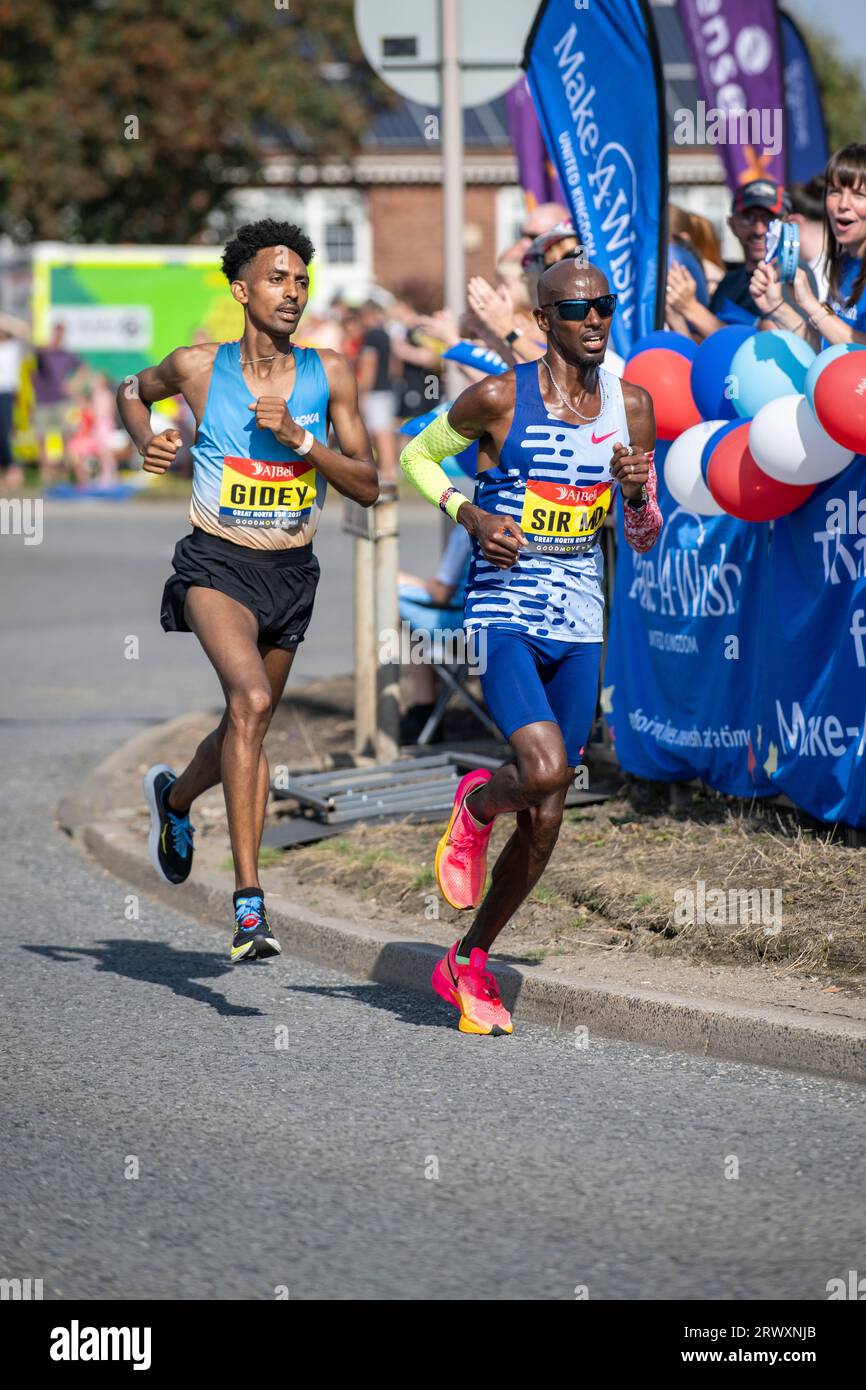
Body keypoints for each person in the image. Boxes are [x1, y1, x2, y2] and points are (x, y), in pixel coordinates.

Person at [400, 259, 661, 1035]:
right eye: (577, 307)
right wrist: (468, 514)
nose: (594, 319)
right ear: (543, 319)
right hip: (506, 605)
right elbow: (416, 456)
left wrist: (639, 494)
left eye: (604, 306)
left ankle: (470, 960)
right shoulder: (498, 397)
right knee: (543, 768)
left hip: (581, 613)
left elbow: (644, 538)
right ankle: (476, 803)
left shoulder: (633, 406)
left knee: (549, 808)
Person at [117, 219, 378, 962]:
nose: (292, 292)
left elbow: (368, 487)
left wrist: (303, 441)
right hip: (216, 565)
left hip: (292, 574)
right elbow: (129, 390)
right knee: (252, 705)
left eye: (301, 281)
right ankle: (250, 906)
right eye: (276, 279)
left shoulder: (333, 373)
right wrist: (147, 440)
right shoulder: (200, 367)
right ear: (241, 289)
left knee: (246, 727)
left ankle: (173, 799)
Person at [666, 180, 817, 341]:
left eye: (769, 219)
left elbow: (770, 345)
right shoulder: (729, 282)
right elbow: (704, 347)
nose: (759, 230)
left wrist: (690, 308)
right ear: (731, 224)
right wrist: (675, 313)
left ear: (788, 224)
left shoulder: (792, 273)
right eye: (748, 217)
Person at [750, 145, 866, 347]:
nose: (843, 204)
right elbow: (825, 351)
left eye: (859, 195)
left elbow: (857, 356)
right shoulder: (844, 264)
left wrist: (813, 306)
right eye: (835, 192)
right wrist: (776, 307)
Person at [398, 524, 472, 743]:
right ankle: (424, 710)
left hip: (462, 629)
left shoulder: (467, 529)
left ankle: (424, 710)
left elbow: (441, 593)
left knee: (396, 601)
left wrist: (401, 581)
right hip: (498, 627)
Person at [33, 322, 84, 483]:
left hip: (62, 401)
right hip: (42, 400)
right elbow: (36, 350)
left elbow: (83, 369)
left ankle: (63, 470)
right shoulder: (44, 352)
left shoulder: (67, 354)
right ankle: (45, 471)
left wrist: (74, 384)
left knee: (66, 437)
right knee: (42, 438)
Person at [357, 298, 398, 485]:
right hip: (386, 387)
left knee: (380, 431)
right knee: (385, 430)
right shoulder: (385, 334)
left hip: (376, 390)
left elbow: (368, 365)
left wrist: (361, 392)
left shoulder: (372, 336)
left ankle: (387, 472)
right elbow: (393, 365)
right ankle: (388, 469)